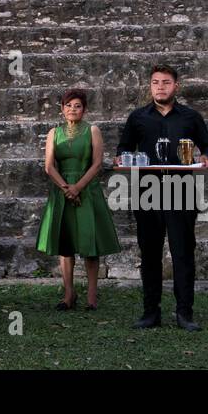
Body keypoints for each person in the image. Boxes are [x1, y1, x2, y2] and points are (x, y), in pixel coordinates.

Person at [117, 64, 208, 331]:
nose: (160, 87)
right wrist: (121, 158)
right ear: (150, 86)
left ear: (176, 86)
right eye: (156, 82)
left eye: (166, 82)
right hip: (147, 191)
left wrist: (206, 156)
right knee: (150, 253)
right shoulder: (137, 117)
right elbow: (124, 148)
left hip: (181, 190)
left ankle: (185, 313)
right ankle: (151, 312)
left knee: (183, 253)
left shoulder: (191, 117)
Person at [36, 88, 120, 311]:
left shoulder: (93, 130)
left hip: (87, 190)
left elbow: (97, 163)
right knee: (65, 245)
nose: (72, 109)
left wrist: (78, 187)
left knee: (90, 243)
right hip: (62, 191)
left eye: (77, 106)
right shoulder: (54, 132)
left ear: (84, 109)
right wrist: (66, 189)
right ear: (62, 109)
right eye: (68, 105)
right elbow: (49, 166)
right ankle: (68, 295)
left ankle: (92, 297)